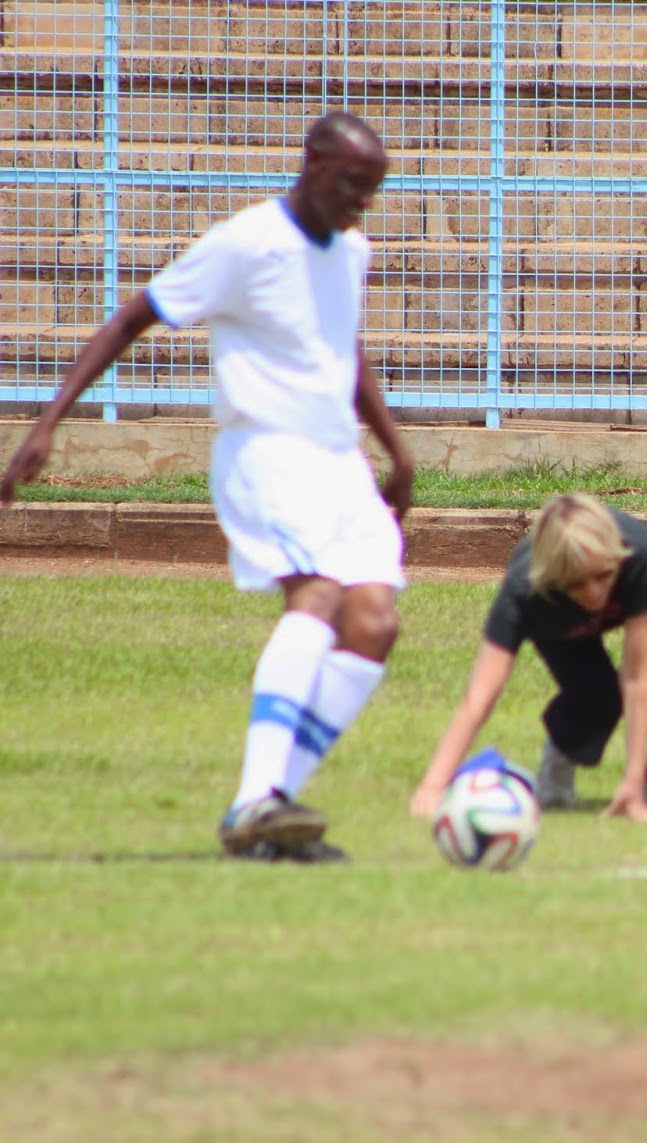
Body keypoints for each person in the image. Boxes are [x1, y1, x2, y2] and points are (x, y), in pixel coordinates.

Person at [0, 111, 412, 863]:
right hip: (267, 454)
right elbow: (132, 318)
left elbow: (343, 350)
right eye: (353, 185)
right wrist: (47, 421)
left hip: (337, 460)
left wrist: (396, 452)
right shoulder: (246, 243)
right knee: (317, 595)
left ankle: (268, 808)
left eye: (372, 191)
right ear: (312, 163)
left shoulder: (353, 249)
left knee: (375, 622)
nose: (362, 204)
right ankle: (258, 798)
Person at [409, 492, 647, 823]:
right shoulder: (526, 591)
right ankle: (557, 769)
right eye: (579, 583)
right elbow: (479, 698)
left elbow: (637, 675)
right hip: (559, 618)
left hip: (631, 570)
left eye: (602, 577)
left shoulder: (637, 555)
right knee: (597, 695)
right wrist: (433, 785)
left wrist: (633, 783)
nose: (594, 592)